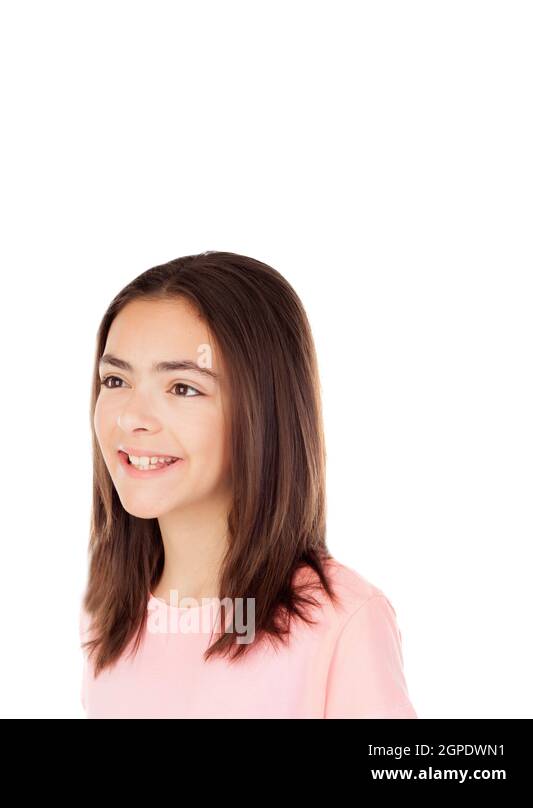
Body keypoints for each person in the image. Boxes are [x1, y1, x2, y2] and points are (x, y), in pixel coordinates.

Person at [80, 252, 415, 718]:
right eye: (115, 380)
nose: (131, 418)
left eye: (182, 388)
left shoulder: (343, 624)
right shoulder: (109, 616)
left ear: (262, 411)